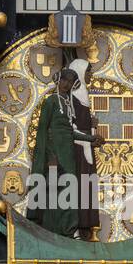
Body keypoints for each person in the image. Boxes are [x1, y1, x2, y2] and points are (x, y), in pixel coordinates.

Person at [27, 61, 105, 239]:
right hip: (55, 153)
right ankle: (50, 229)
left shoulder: (68, 104)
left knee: (70, 191)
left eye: (71, 82)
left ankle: (69, 230)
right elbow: (43, 132)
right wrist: (50, 156)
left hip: (68, 154)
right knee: (52, 191)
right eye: (64, 81)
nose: (67, 85)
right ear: (58, 81)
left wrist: (91, 139)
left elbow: (70, 132)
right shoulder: (51, 102)